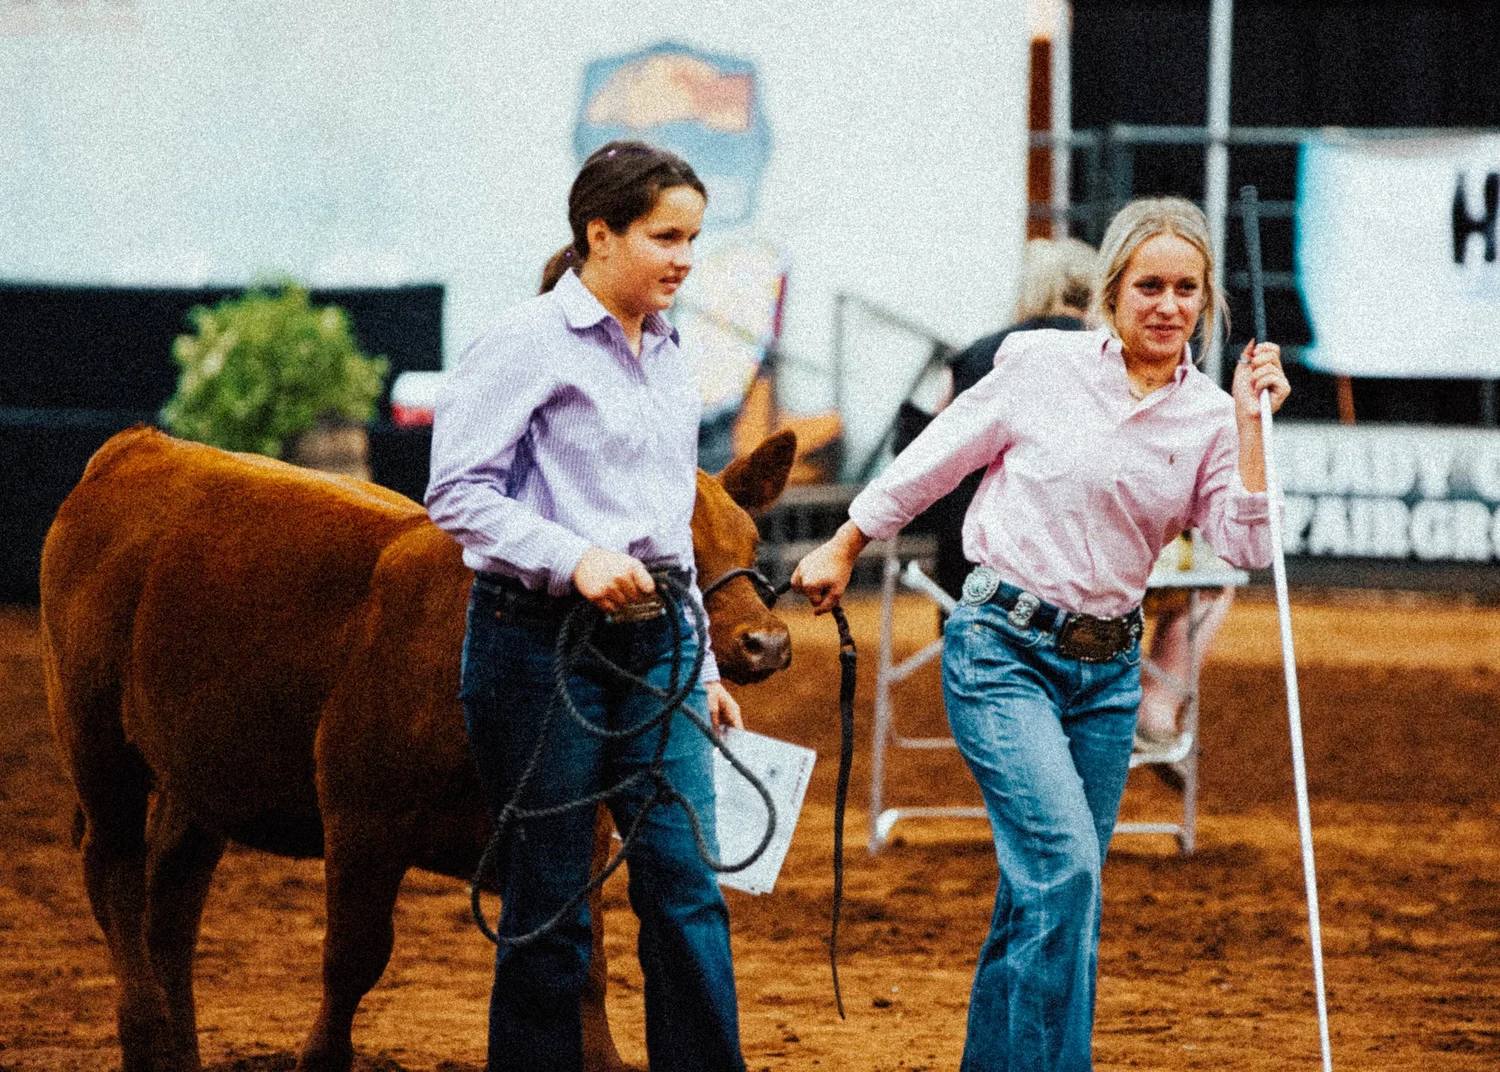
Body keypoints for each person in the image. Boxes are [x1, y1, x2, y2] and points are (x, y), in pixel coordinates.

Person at [792, 196, 1289, 1071]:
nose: (1166, 306)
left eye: (1185, 290)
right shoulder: (1037, 365)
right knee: (1065, 877)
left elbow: (1247, 545)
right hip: (999, 650)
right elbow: (935, 456)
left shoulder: (1213, 416)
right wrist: (847, 540)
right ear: (1110, 292)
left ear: (1206, 303)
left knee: (1049, 898)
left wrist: (1253, 425)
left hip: (1107, 675)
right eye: (1148, 286)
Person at [426, 140, 746, 1072]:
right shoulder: (524, 342)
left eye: (692, 236)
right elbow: (456, 492)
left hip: (661, 648)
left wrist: (708, 666)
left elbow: (671, 529)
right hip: (537, 644)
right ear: (598, 235)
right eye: (665, 236)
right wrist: (575, 558)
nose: (685, 257)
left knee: (687, 886)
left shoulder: (673, 345)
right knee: (553, 898)